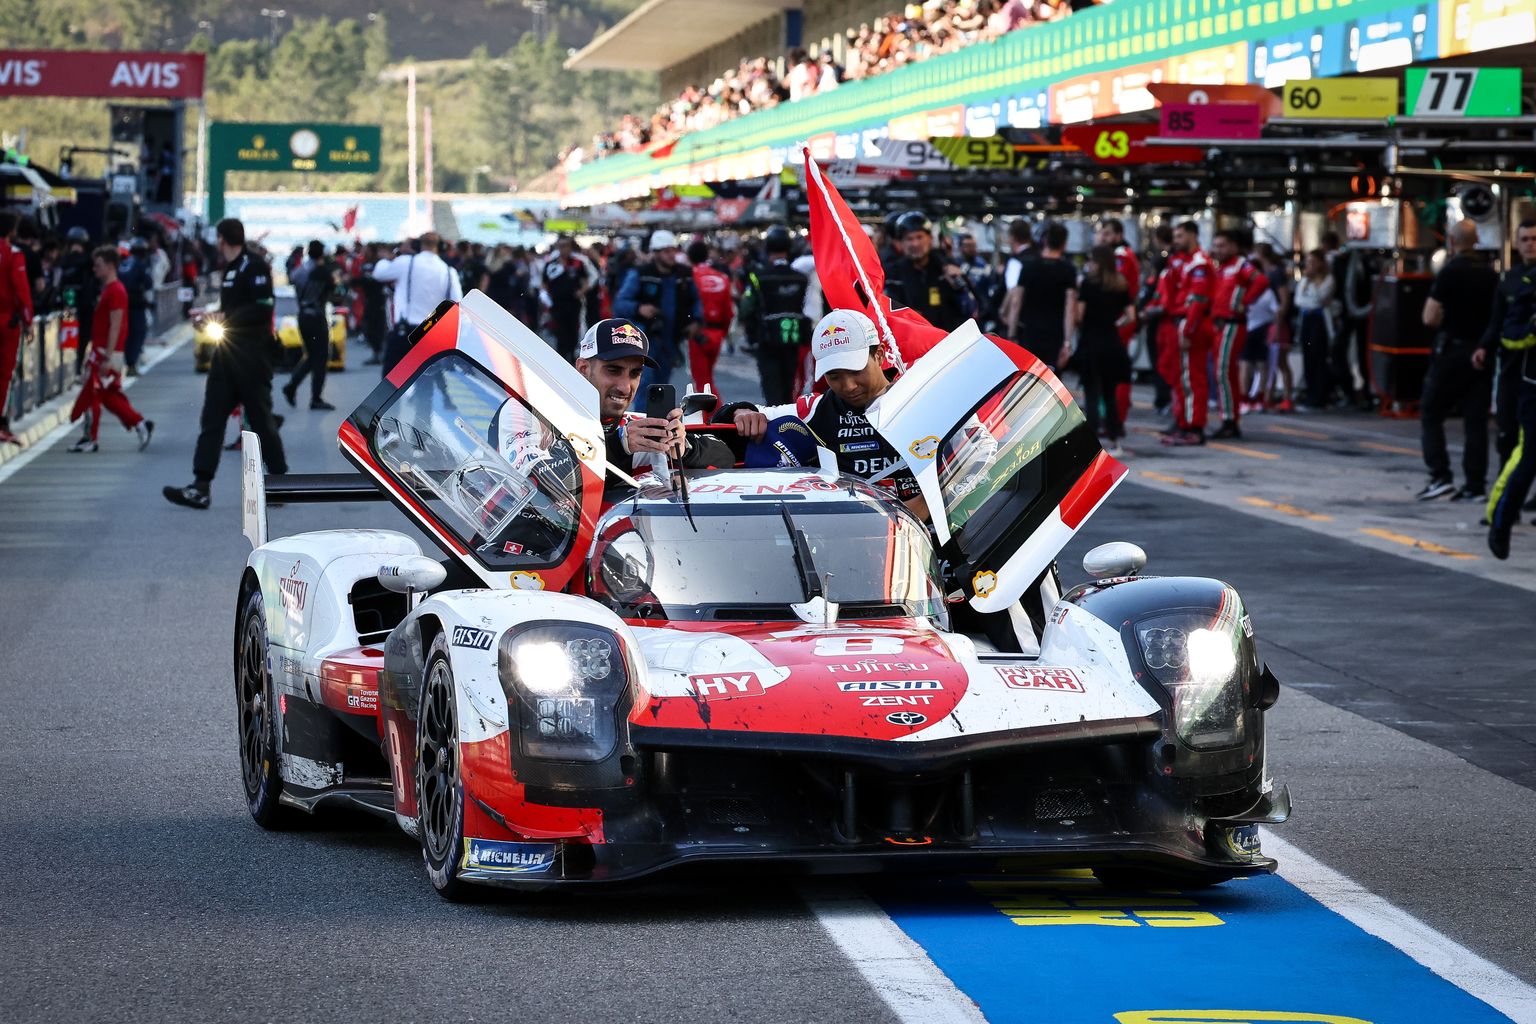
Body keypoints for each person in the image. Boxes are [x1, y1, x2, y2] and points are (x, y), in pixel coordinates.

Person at [732, 309, 926, 516]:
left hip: (929, 530)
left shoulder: (920, 398)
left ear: (879, 355)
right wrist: (741, 412)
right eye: (834, 377)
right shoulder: (817, 408)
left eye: (855, 371)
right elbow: (756, 412)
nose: (849, 386)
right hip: (852, 528)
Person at [164, 218, 289, 510]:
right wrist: (211, 317)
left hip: (252, 356)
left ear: (221, 239)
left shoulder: (254, 266)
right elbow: (237, 310)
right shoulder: (231, 269)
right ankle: (201, 485)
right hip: (226, 354)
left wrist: (220, 319)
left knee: (261, 420)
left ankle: (281, 484)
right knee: (212, 420)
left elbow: (262, 308)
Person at [575, 317, 732, 502]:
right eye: (613, 370)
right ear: (583, 369)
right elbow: (558, 482)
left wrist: (684, 449)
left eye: (635, 373)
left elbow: (727, 457)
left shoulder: (641, 430)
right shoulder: (548, 421)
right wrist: (619, 447)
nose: (625, 387)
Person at [1416, 219, 1498, 502]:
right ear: (1476, 241)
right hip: (1482, 353)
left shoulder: (1450, 272)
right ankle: (1475, 485)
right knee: (1475, 420)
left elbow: (1429, 316)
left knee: (1431, 411)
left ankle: (1440, 476)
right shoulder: (1490, 274)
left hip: (1452, 352)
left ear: (1452, 242)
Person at [67, 246, 153, 453]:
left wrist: (106, 354)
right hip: (107, 350)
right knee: (108, 397)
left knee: (92, 395)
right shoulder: (112, 289)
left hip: (106, 352)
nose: (94, 269)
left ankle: (90, 437)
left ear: (110, 266)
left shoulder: (115, 291)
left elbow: (116, 324)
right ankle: (140, 423)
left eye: (98, 265)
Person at [1476, 217, 1536, 471]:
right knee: (1507, 429)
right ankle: (1507, 486)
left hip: (1533, 371)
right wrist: (1484, 347)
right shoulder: (1510, 279)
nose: (1530, 245)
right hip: (1512, 368)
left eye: (1534, 239)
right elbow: (1497, 319)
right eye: (1525, 239)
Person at [613, 230, 700, 393]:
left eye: (673, 250)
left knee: (663, 387)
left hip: (673, 338)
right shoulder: (640, 274)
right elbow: (620, 303)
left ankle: (658, 417)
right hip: (647, 339)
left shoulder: (684, 274)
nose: (671, 255)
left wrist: (696, 321)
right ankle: (643, 417)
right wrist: (639, 308)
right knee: (644, 384)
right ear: (656, 253)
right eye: (667, 251)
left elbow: (696, 301)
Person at [1068, 245, 1134, 455]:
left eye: (1091, 260)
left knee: (1092, 395)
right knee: (1110, 393)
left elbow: (1079, 315)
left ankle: (1093, 442)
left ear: (1099, 262)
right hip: (1111, 342)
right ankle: (1115, 439)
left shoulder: (1088, 284)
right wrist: (1115, 323)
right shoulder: (1121, 284)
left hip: (1091, 343)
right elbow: (1131, 316)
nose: (1089, 264)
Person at [737, 226, 811, 405]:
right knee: (789, 388)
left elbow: (746, 307)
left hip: (767, 340)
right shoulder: (801, 278)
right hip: (793, 339)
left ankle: (775, 426)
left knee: (772, 389)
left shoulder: (758, 276)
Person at [1207, 229, 1269, 439]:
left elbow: (1261, 281)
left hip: (1232, 324)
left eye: (1222, 245)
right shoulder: (1220, 267)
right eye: (1216, 245)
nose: (1218, 249)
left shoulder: (1241, 265)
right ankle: (1230, 418)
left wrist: (1244, 302)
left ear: (1233, 246)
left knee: (1222, 371)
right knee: (1225, 372)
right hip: (1220, 325)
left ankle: (1229, 420)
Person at [373, 232, 463, 374]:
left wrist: (387, 258)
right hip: (432, 333)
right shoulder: (449, 271)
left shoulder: (405, 263)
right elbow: (457, 302)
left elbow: (379, 274)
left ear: (418, 245)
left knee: (392, 380)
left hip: (405, 331)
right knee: (428, 381)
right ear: (440, 246)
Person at [1163, 221, 1213, 446]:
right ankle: (1183, 423)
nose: (1176, 241)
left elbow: (1198, 301)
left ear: (1193, 235)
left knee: (1193, 379)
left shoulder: (1200, 264)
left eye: (1180, 236)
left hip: (1192, 325)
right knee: (1182, 378)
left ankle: (1195, 427)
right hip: (1182, 323)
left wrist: (1189, 329)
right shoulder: (1185, 262)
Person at [883, 212, 973, 333]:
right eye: (909, 239)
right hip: (912, 340)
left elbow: (970, 308)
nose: (915, 244)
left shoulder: (946, 268)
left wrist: (958, 286)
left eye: (919, 237)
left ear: (930, 238)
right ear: (901, 243)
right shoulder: (893, 273)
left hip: (948, 340)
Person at [1010, 221, 1077, 370]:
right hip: (1055, 334)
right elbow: (1070, 308)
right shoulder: (1068, 270)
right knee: (1052, 382)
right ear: (1064, 244)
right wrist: (1067, 342)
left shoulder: (1028, 267)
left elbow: (1016, 302)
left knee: (1026, 376)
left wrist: (1012, 334)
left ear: (1045, 240)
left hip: (1029, 332)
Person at [283, 240, 339, 411]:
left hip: (303, 316)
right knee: (321, 357)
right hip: (316, 317)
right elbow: (334, 288)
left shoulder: (299, 270)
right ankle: (314, 397)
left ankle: (293, 385)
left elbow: (292, 280)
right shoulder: (321, 271)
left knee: (312, 355)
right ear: (322, 254)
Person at [1095, 218, 1140, 423]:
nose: (1103, 238)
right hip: (1117, 319)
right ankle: (1112, 415)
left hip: (1119, 320)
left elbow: (1111, 286)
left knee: (1114, 370)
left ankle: (1116, 417)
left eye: (1106, 234)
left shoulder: (1121, 256)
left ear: (1118, 235)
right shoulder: (1121, 255)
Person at [0, 211, 34, 445]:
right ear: (12, 229)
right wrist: (28, 321)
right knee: (4, 374)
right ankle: (2, 424)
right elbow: (22, 291)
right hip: (6, 324)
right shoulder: (13, 255)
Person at [687, 240, 732, 397]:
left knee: (702, 383)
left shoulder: (690, 277)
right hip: (717, 332)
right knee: (707, 379)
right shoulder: (722, 277)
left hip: (697, 333)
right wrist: (725, 333)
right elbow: (729, 311)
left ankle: (716, 415)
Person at [1294, 249, 1336, 411]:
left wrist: (1311, 289)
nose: (1309, 265)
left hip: (1320, 321)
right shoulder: (1305, 280)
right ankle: (1310, 392)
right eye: (1308, 262)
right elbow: (1298, 301)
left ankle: (1319, 396)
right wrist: (1308, 284)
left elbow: (1319, 300)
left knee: (1319, 357)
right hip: (1306, 319)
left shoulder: (1329, 279)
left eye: (1313, 262)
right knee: (1308, 356)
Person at [541, 235, 591, 362]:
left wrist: (581, 292)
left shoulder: (577, 263)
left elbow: (585, 280)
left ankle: (572, 353)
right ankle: (561, 356)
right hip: (557, 304)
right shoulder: (551, 264)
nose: (564, 249)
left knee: (573, 330)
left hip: (573, 303)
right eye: (561, 246)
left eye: (566, 246)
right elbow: (544, 282)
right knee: (559, 330)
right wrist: (548, 296)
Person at [57, 227, 97, 375]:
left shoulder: (72, 259)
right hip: (75, 301)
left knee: (76, 334)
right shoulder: (77, 260)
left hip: (76, 302)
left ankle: (74, 366)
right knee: (76, 334)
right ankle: (74, 366)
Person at [119, 237, 152, 375]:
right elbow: (148, 283)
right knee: (138, 332)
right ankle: (131, 363)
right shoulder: (140, 265)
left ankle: (128, 361)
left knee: (126, 333)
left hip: (122, 303)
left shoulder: (123, 263)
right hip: (136, 304)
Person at [355, 242, 389, 365]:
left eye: (366, 250)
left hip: (378, 299)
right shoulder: (363, 264)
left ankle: (380, 353)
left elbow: (374, 280)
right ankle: (377, 352)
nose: (364, 252)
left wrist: (356, 281)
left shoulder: (378, 264)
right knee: (368, 327)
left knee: (377, 326)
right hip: (367, 298)